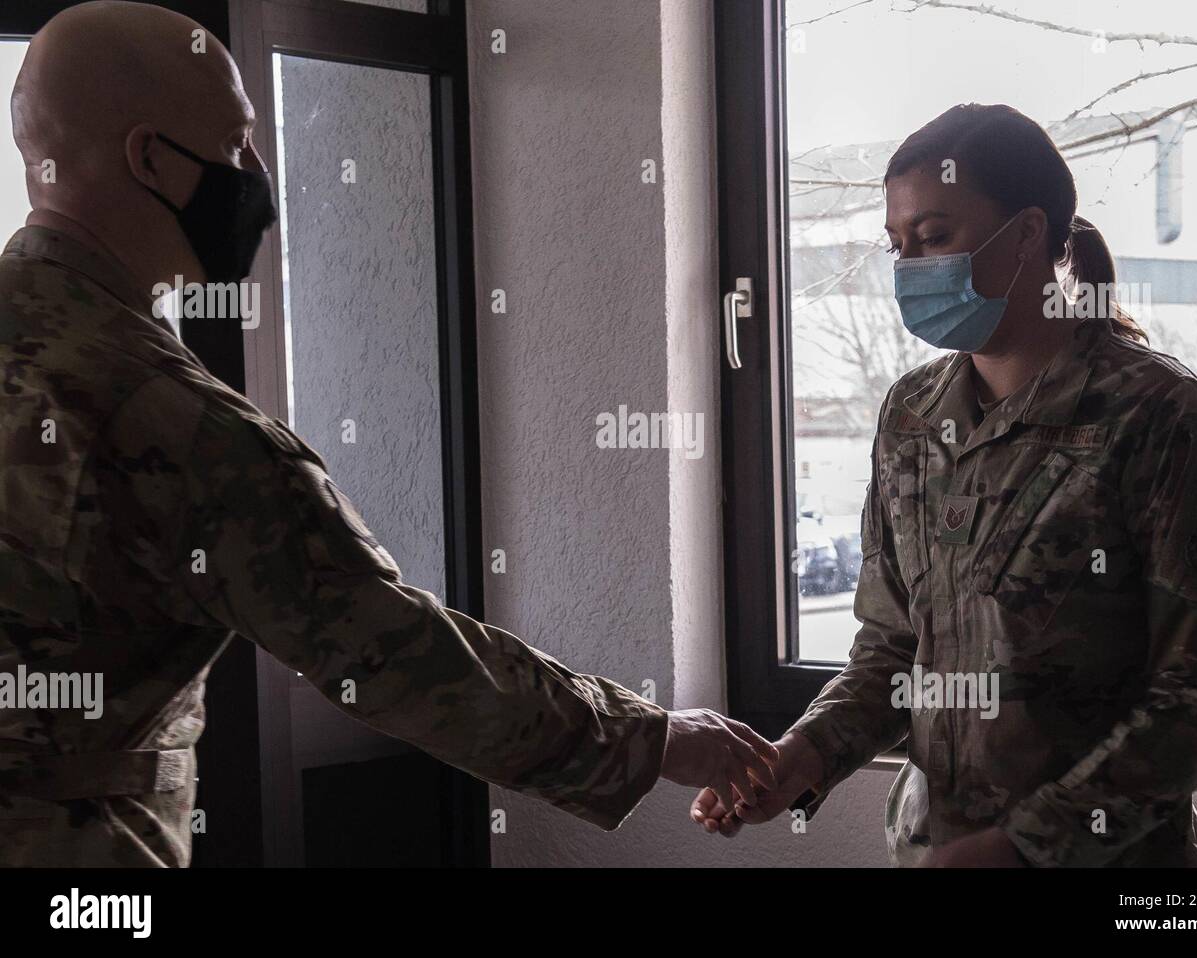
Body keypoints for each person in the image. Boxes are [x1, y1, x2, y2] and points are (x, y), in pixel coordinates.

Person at [0, 1, 777, 867]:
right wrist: (658, 738)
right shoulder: (173, 421)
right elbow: (396, 655)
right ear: (149, 158)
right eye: (234, 146)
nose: (259, 174)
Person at [692, 103, 1197, 867]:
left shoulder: (1159, 417)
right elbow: (893, 646)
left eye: (934, 239)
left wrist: (1026, 847)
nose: (911, 268)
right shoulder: (911, 416)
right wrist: (803, 755)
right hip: (937, 851)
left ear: (1028, 233)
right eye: (897, 245)